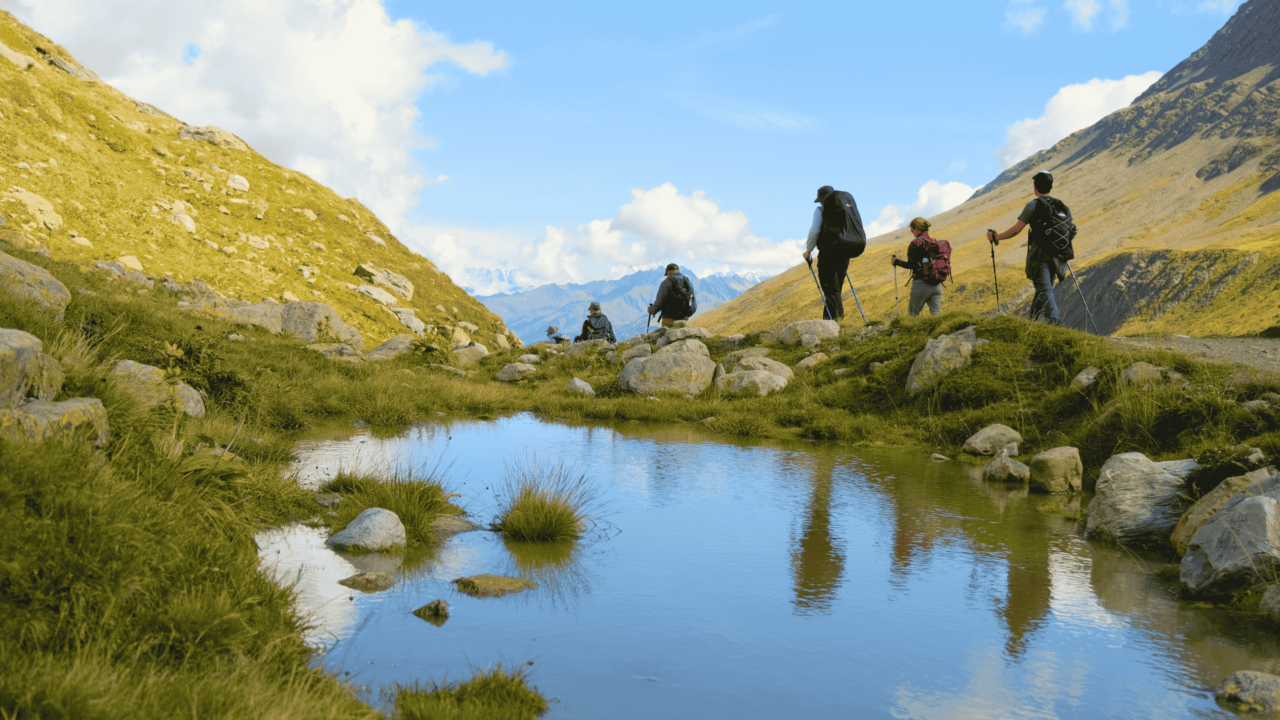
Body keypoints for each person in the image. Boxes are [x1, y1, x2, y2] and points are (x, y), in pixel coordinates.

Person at [987, 170, 1065, 325]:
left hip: (1040, 256)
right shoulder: (1060, 206)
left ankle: (1055, 322)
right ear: (1051, 186)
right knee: (1044, 288)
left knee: (1044, 290)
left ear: (1035, 187)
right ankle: (1031, 322)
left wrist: (996, 237)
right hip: (1058, 256)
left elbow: (1016, 229)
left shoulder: (1033, 206)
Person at [803, 185, 866, 320]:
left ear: (823, 199)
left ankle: (838, 318)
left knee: (830, 288)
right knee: (836, 288)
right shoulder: (846, 209)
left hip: (828, 252)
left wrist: (809, 250)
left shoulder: (821, 210)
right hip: (845, 251)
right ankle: (829, 321)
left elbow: (814, 231)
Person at [890, 217, 944, 316]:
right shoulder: (935, 242)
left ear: (917, 229)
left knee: (912, 316)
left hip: (921, 284)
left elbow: (912, 265)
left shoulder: (915, 243)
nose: (912, 232)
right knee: (936, 316)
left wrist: (897, 262)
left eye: (912, 230)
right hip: (937, 284)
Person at [647, 263, 697, 328]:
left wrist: (651, 310)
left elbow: (659, 303)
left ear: (670, 272)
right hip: (683, 321)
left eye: (667, 274)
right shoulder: (687, 282)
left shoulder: (666, 282)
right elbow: (693, 303)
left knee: (667, 336)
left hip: (669, 320)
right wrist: (686, 315)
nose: (667, 276)